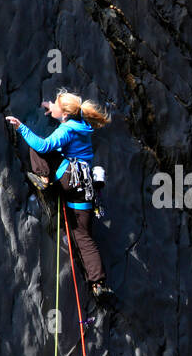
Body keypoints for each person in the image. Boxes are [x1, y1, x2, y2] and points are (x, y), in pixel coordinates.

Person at [6, 92, 114, 302]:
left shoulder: (66, 129)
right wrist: (53, 108)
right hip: (85, 188)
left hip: (68, 179)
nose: (51, 106)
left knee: (36, 145)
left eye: (55, 104)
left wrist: (21, 128)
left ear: (65, 114)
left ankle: (45, 180)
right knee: (84, 237)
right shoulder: (80, 123)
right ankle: (99, 284)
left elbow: (44, 146)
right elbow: (66, 120)